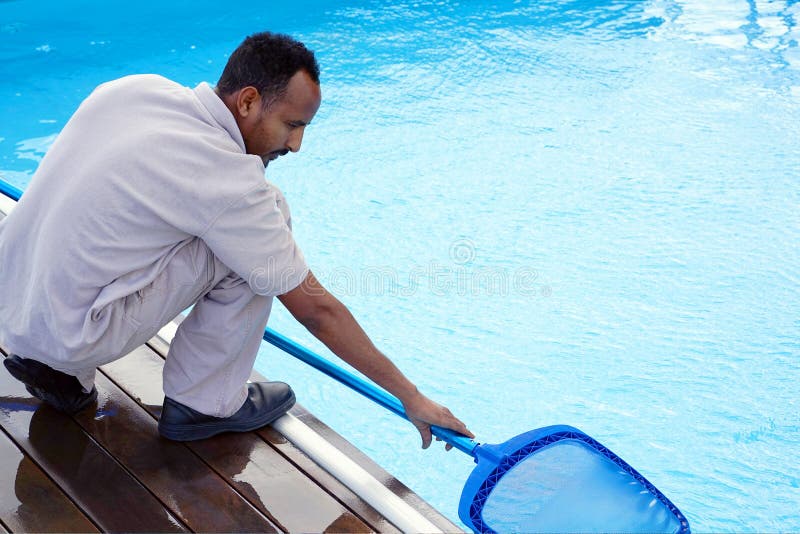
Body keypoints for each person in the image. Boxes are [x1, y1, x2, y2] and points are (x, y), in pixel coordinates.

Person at [0, 32, 473, 446]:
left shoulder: (133, 90)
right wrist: (411, 397)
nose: (296, 145)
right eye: (292, 125)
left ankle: (61, 372)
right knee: (268, 221)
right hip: (73, 333)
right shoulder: (228, 181)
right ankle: (205, 402)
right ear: (247, 102)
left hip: (12, 307)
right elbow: (315, 309)